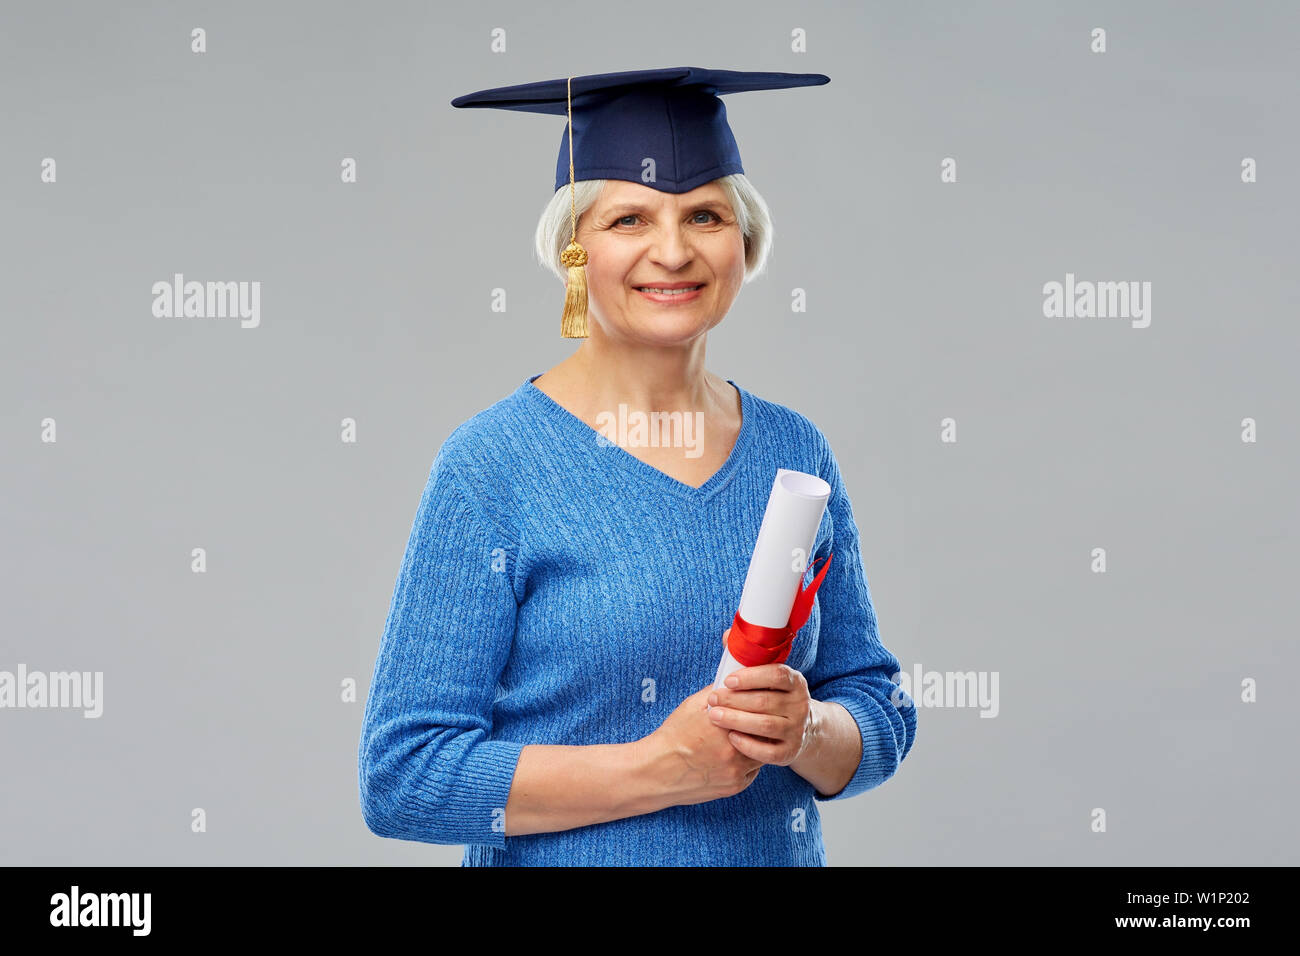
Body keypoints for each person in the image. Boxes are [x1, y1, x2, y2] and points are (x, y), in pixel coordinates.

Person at [357, 67, 917, 866]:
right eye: (629, 218)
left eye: (705, 215)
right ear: (575, 251)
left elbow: (879, 704)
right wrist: (660, 769)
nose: (674, 250)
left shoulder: (794, 452)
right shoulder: (493, 467)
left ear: (745, 242)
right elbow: (404, 778)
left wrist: (808, 730)